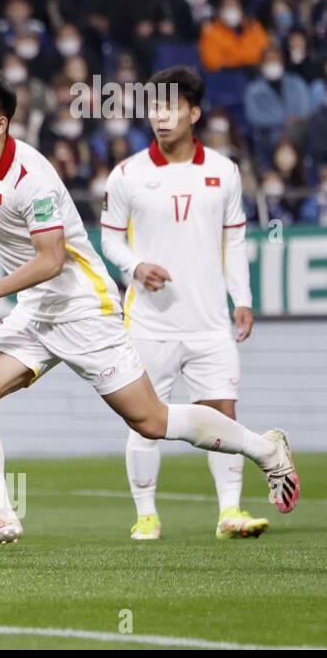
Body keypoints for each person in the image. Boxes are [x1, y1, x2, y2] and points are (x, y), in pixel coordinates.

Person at [0, 69, 299, 546]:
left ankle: (265, 449)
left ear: (0, 124)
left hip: (82, 308)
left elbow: (50, 260)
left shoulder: (32, 178)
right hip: (37, 312)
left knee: (152, 420)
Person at [101, 65, 265, 540]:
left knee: (222, 415)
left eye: (171, 107)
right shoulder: (127, 174)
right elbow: (110, 241)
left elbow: (234, 241)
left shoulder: (224, 172)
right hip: (149, 322)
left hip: (210, 322)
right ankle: (146, 515)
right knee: (144, 418)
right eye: (155, 108)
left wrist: (243, 299)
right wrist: (135, 268)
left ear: (194, 112)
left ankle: (230, 513)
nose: (162, 117)